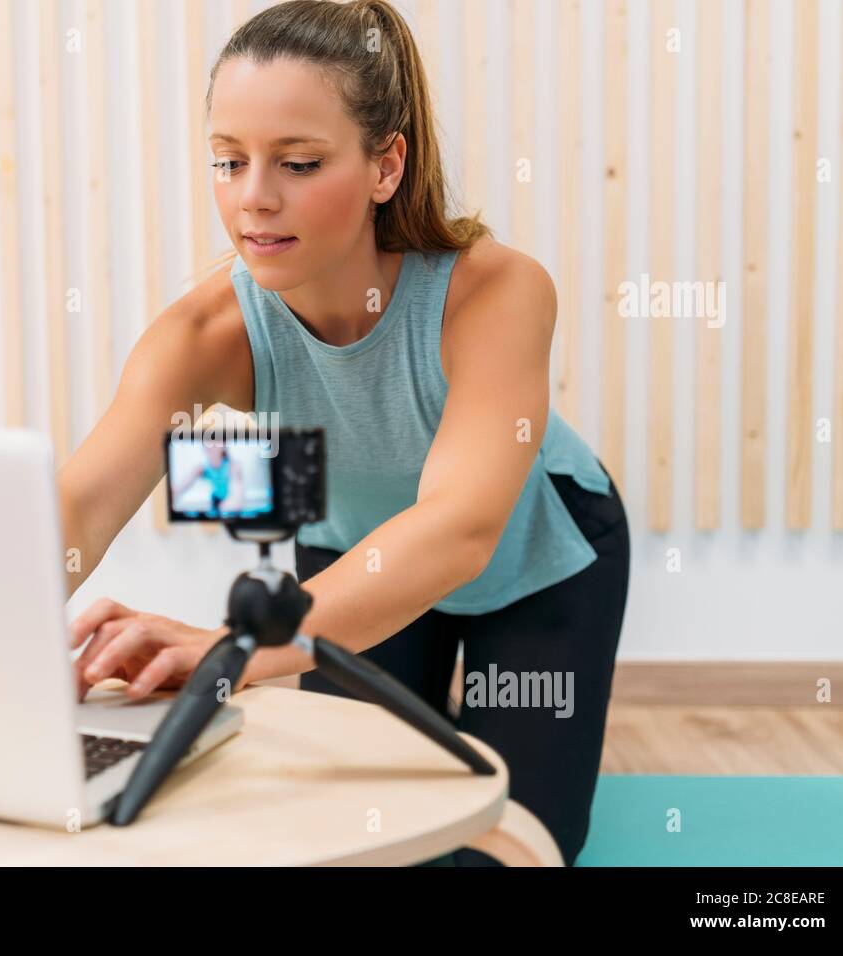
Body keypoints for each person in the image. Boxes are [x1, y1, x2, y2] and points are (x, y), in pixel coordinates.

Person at [57, 0, 630, 866]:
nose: (253, 198)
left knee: (505, 847)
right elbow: (82, 507)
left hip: (538, 565)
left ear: (385, 165)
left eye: (298, 162)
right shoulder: (204, 334)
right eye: (228, 160)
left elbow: (457, 529)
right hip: (350, 553)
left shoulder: (497, 293)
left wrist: (232, 650)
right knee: (357, 837)